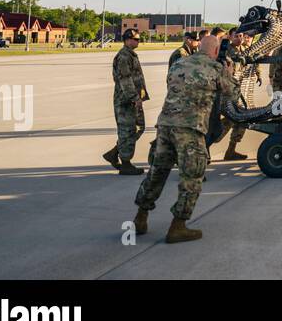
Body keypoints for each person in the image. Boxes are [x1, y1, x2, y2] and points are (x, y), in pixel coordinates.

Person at [131, 32, 239, 243]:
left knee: (157, 173)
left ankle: (140, 217)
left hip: (165, 126)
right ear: (215, 51)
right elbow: (232, 94)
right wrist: (229, 73)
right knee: (192, 177)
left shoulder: (178, 64)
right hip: (190, 129)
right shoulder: (215, 69)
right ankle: (178, 226)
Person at [104, 28, 149, 174]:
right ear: (128, 39)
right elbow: (125, 80)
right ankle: (125, 164)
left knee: (138, 128)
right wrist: (134, 98)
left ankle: (115, 152)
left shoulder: (130, 55)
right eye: (136, 39)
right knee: (127, 130)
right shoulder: (123, 56)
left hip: (132, 99)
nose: (138, 41)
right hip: (126, 101)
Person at [212, 29, 252, 160]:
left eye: (241, 36)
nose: (240, 38)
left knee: (239, 120)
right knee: (232, 119)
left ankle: (230, 150)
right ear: (230, 36)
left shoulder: (243, 49)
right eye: (236, 36)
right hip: (225, 93)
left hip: (235, 92)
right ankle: (207, 144)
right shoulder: (226, 51)